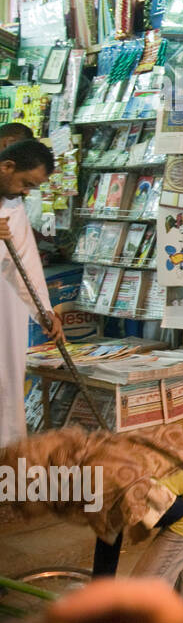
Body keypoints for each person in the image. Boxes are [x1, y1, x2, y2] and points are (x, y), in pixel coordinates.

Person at [2, 421, 183, 604]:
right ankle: (179, 601)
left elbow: (177, 511)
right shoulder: (79, 459)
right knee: (165, 561)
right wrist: (100, 589)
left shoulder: (105, 479)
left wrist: (142, 513)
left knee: (138, 598)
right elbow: (108, 533)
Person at [0, 140, 62, 446]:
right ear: (7, 166)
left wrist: (44, 311)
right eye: (26, 183)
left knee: (5, 382)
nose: (26, 192)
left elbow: (24, 262)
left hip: (3, 310)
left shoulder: (13, 205)